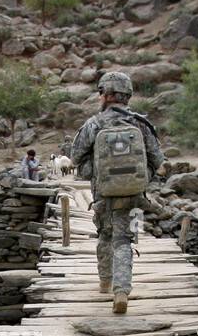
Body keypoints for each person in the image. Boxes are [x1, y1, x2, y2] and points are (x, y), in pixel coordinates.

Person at [69, 71, 166, 314]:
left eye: (101, 93)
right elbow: (158, 159)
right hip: (133, 194)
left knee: (104, 235)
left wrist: (92, 169)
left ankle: (105, 281)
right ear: (127, 94)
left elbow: (74, 158)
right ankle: (121, 291)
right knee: (124, 240)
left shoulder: (94, 124)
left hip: (103, 195)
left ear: (107, 94)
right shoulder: (141, 124)